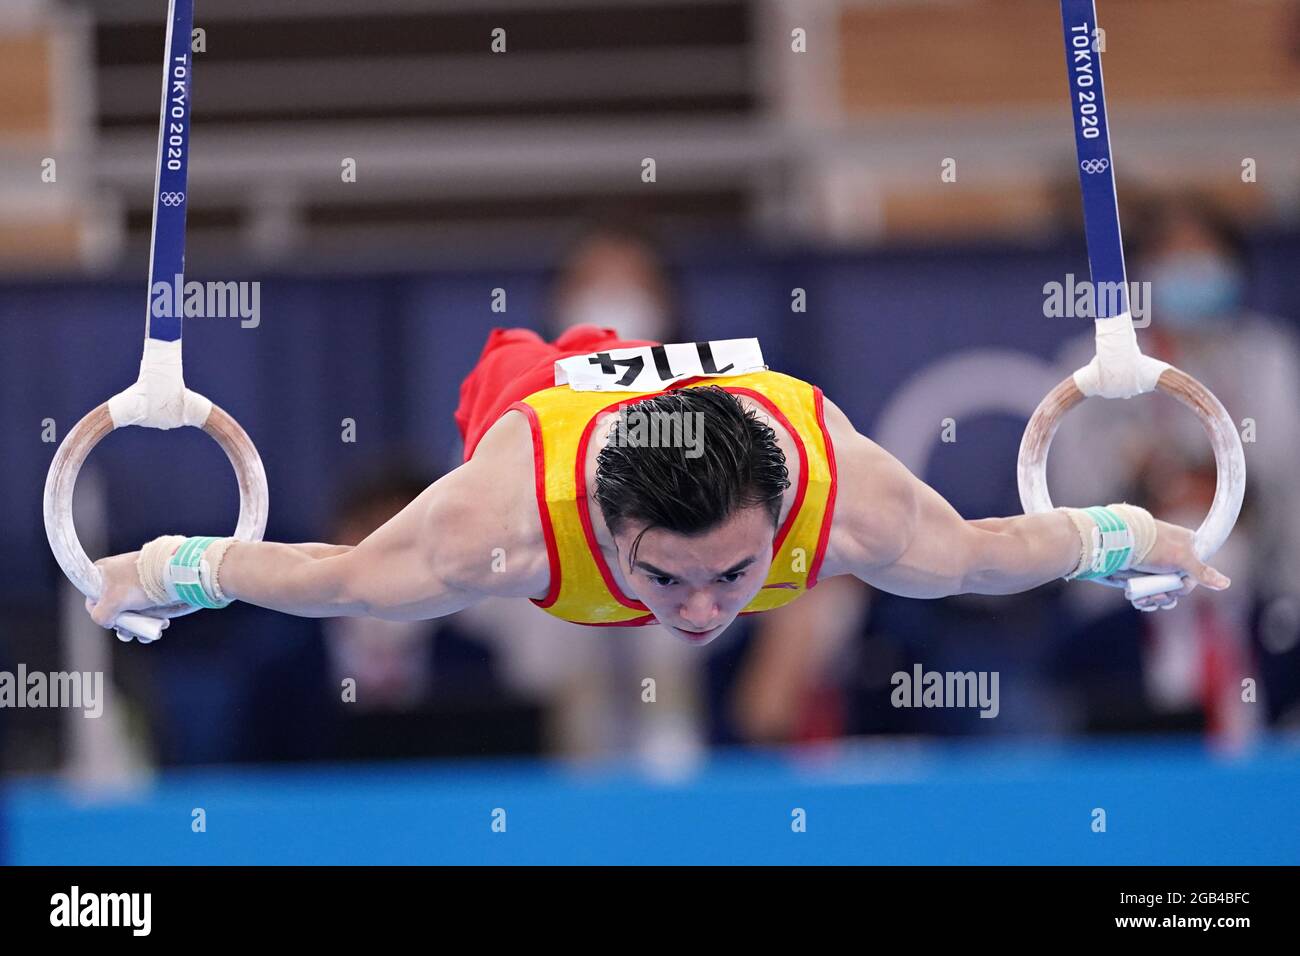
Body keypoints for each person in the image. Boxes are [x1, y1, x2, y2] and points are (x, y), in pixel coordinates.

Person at [86, 325, 1230, 645]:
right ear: (600, 527)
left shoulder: (855, 508)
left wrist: (1136, 538)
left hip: (730, 405)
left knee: (950, 564)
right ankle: (573, 347)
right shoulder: (503, 526)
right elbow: (332, 575)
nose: (697, 608)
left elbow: (995, 547)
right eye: (665, 575)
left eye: (734, 570)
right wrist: (167, 566)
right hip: (539, 405)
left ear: (784, 521)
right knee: (522, 362)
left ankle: (618, 340)